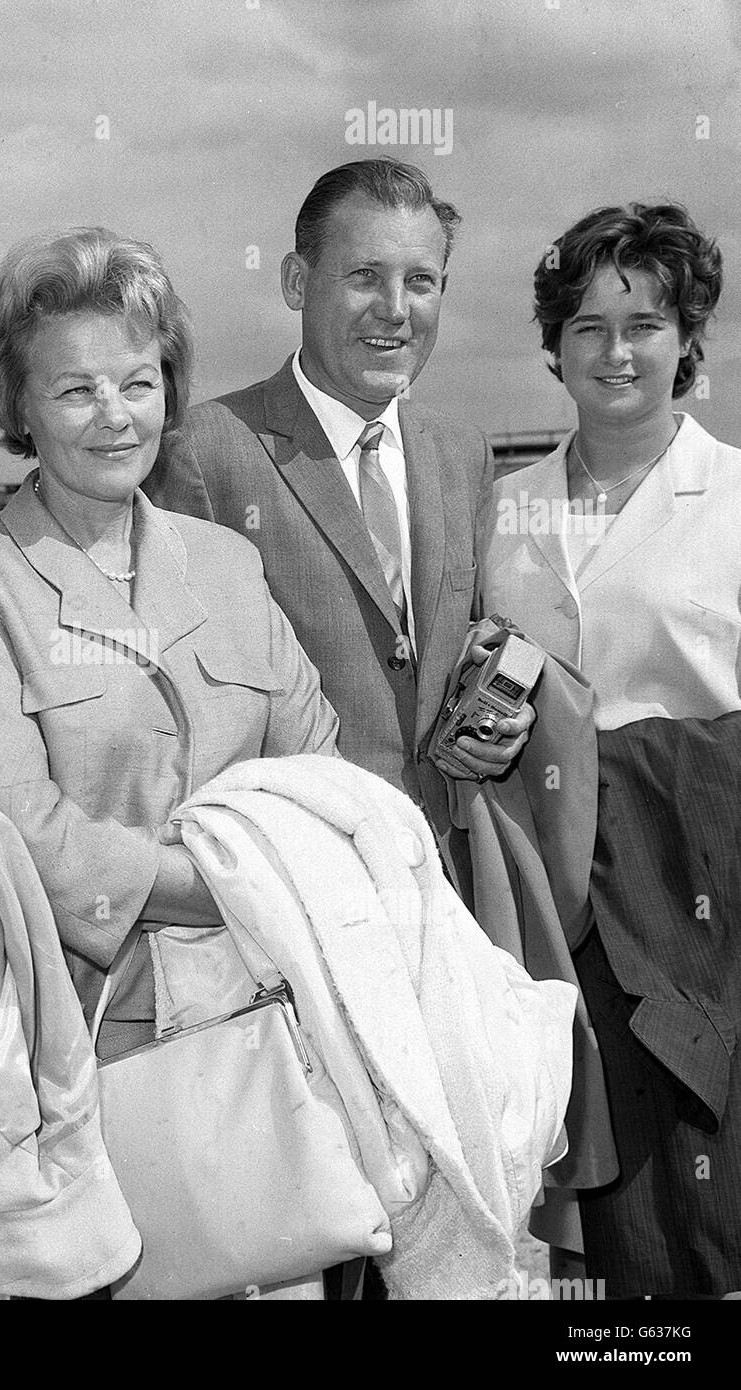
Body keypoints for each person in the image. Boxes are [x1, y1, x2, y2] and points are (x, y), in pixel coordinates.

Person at [0, 226, 340, 1065]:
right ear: (18, 406)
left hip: (281, 1019)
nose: (115, 417)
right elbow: (17, 825)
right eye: (76, 391)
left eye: (138, 384)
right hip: (94, 1040)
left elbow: (320, 775)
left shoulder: (228, 559)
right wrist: (238, 887)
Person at [480, 201, 741, 1297]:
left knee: (717, 1180)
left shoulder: (732, 497)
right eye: (586, 326)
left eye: (642, 322)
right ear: (553, 347)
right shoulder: (500, 511)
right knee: (611, 1191)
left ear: (687, 340)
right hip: (556, 888)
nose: (615, 350)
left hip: (708, 882)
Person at [144, 157, 534, 879]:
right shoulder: (200, 451)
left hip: (453, 876)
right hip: (300, 884)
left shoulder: (462, 455)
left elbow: (473, 639)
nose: (395, 308)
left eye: (421, 281)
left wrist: (501, 718)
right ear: (296, 281)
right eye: (364, 276)